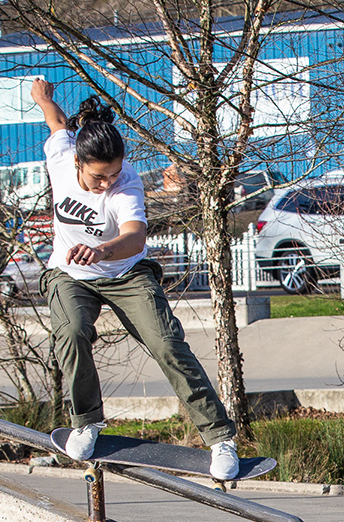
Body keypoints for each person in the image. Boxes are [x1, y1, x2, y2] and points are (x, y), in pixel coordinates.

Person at [29, 78, 240, 478]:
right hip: (70, 274)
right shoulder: (59, 157)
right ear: (77, 162)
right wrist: (43, 96)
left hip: (125, 271)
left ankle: (220, 439)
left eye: (113, 174)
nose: (107, 183)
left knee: (167, 343)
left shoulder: (127, 185)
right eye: (98, 178)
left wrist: (102, 250)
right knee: (71, 332)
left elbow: (134, 236)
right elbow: (56, 121)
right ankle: (87, 421)